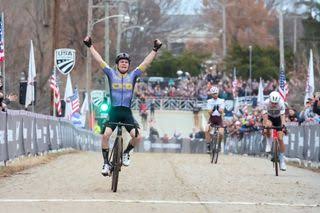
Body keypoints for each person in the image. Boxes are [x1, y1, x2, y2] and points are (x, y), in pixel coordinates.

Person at [83, 36, 162, 176]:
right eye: (121, 62)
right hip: (113, 112)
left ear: (129, 65)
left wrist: (155, 50)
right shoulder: (111, 73)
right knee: (106, 135)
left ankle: (126, 153)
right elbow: (100, 60)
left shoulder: (133, 76)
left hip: (126, 113)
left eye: (126, 62)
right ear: (117, 64)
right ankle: (106, 163)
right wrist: (90, 46)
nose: (124, 64)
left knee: (137, 137)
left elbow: (146, 62)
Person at [262, 91, 287, 171]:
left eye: (275, 103)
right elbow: (265, 116)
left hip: (278, 118)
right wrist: (265, 126)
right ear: (269, 100)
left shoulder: (281, 103)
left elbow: (283, 116)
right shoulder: (265, 103)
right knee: (267, 127)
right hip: (269, 117)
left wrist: (283, 126)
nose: (273, 105)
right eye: (272, 103)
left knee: (280, 138)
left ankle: (282, 159)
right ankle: (269, 143)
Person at [205, 86, 225, 153]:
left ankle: (219, 145)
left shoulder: (221, 101)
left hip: (219, 119)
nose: (215, 95)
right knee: (206, 130)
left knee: (221, 133)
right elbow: (209, 112)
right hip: (212, 118)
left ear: (218, 93)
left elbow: (222, 111)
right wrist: (213, 109)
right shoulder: (209, 101)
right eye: (213, 93)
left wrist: (219, 109)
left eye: (216, 93)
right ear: (211, 94)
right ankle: (208, 145)